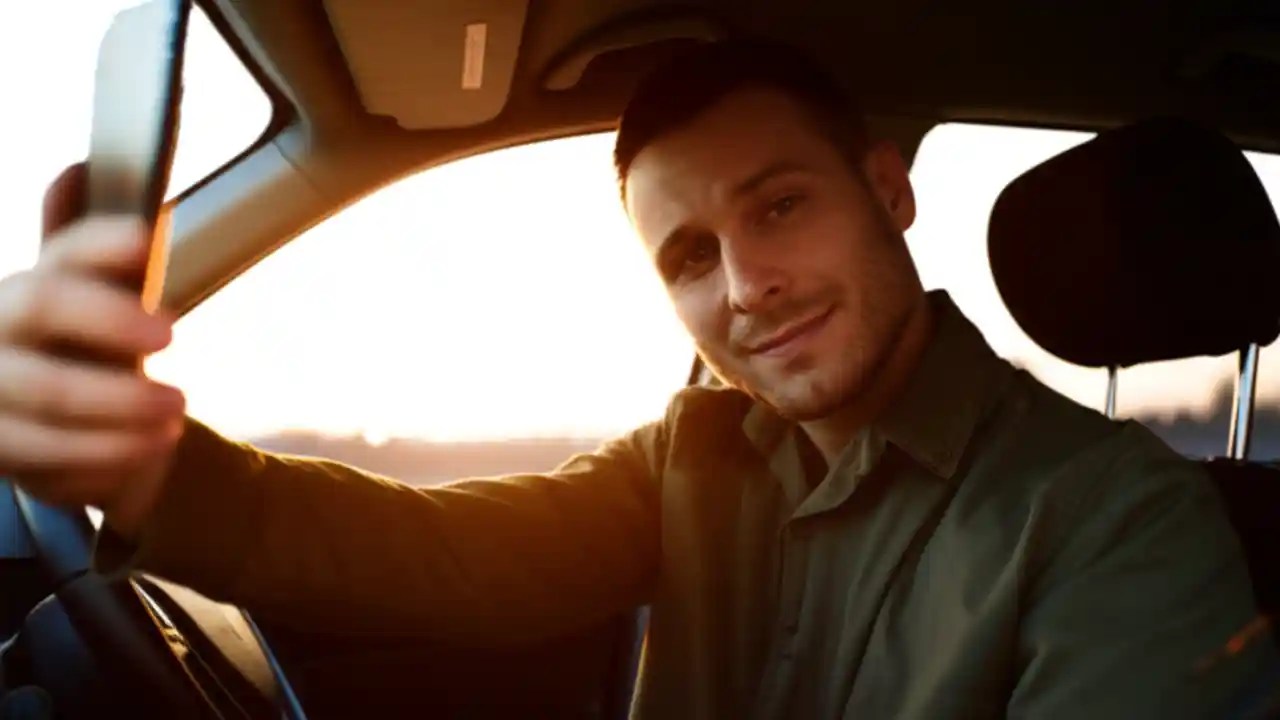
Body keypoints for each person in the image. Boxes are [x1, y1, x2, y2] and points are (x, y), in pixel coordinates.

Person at [1, 39, 1274, 718]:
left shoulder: (1117, 523)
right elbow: (434, 557)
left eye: (779, 206)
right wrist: (145, 469)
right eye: (688, 257)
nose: (744, 285)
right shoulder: (697, 459)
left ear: (887, 194)